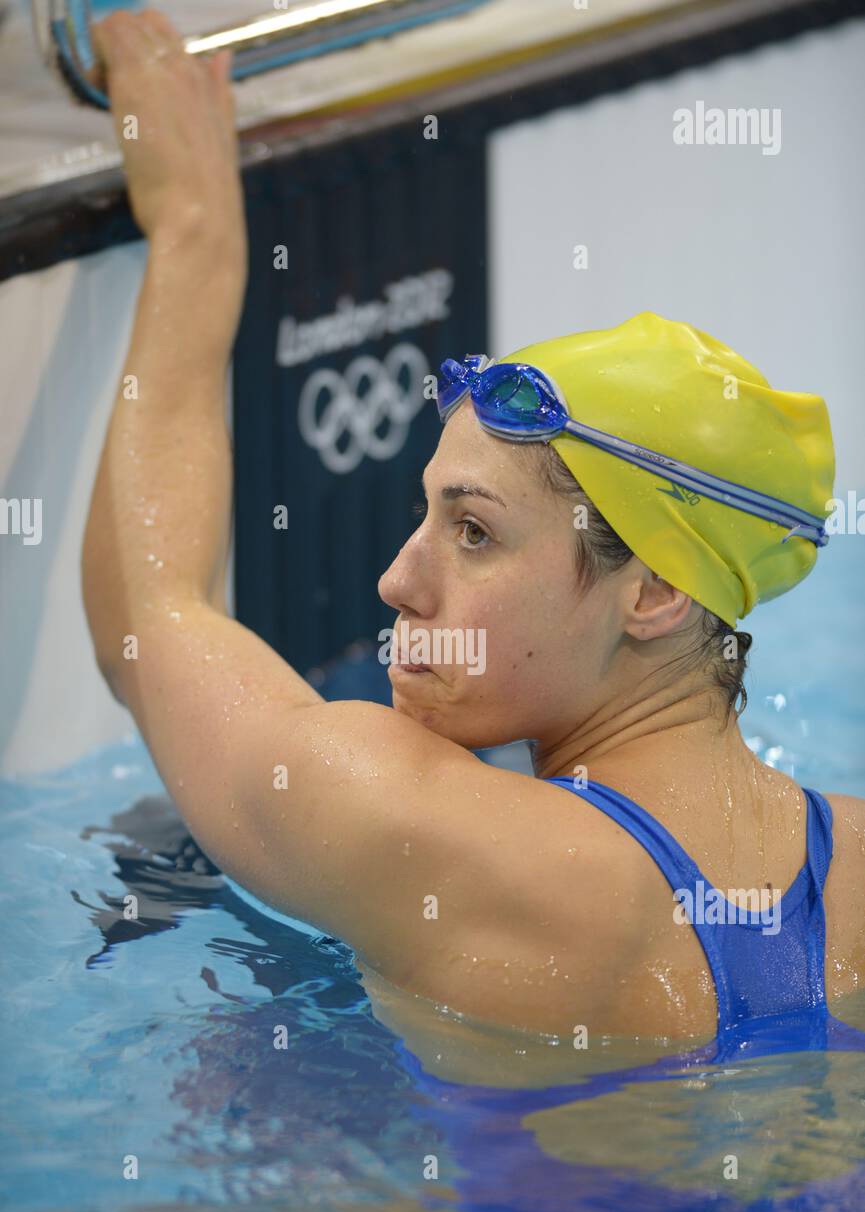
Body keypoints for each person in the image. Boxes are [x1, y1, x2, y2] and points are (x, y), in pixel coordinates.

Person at [82, 9, 865, 1056]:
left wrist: (194, 227)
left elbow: (147, 616)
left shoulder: (422, 830)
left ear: (654, 592)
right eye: (426, 517)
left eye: (475, 534)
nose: (398, 581)